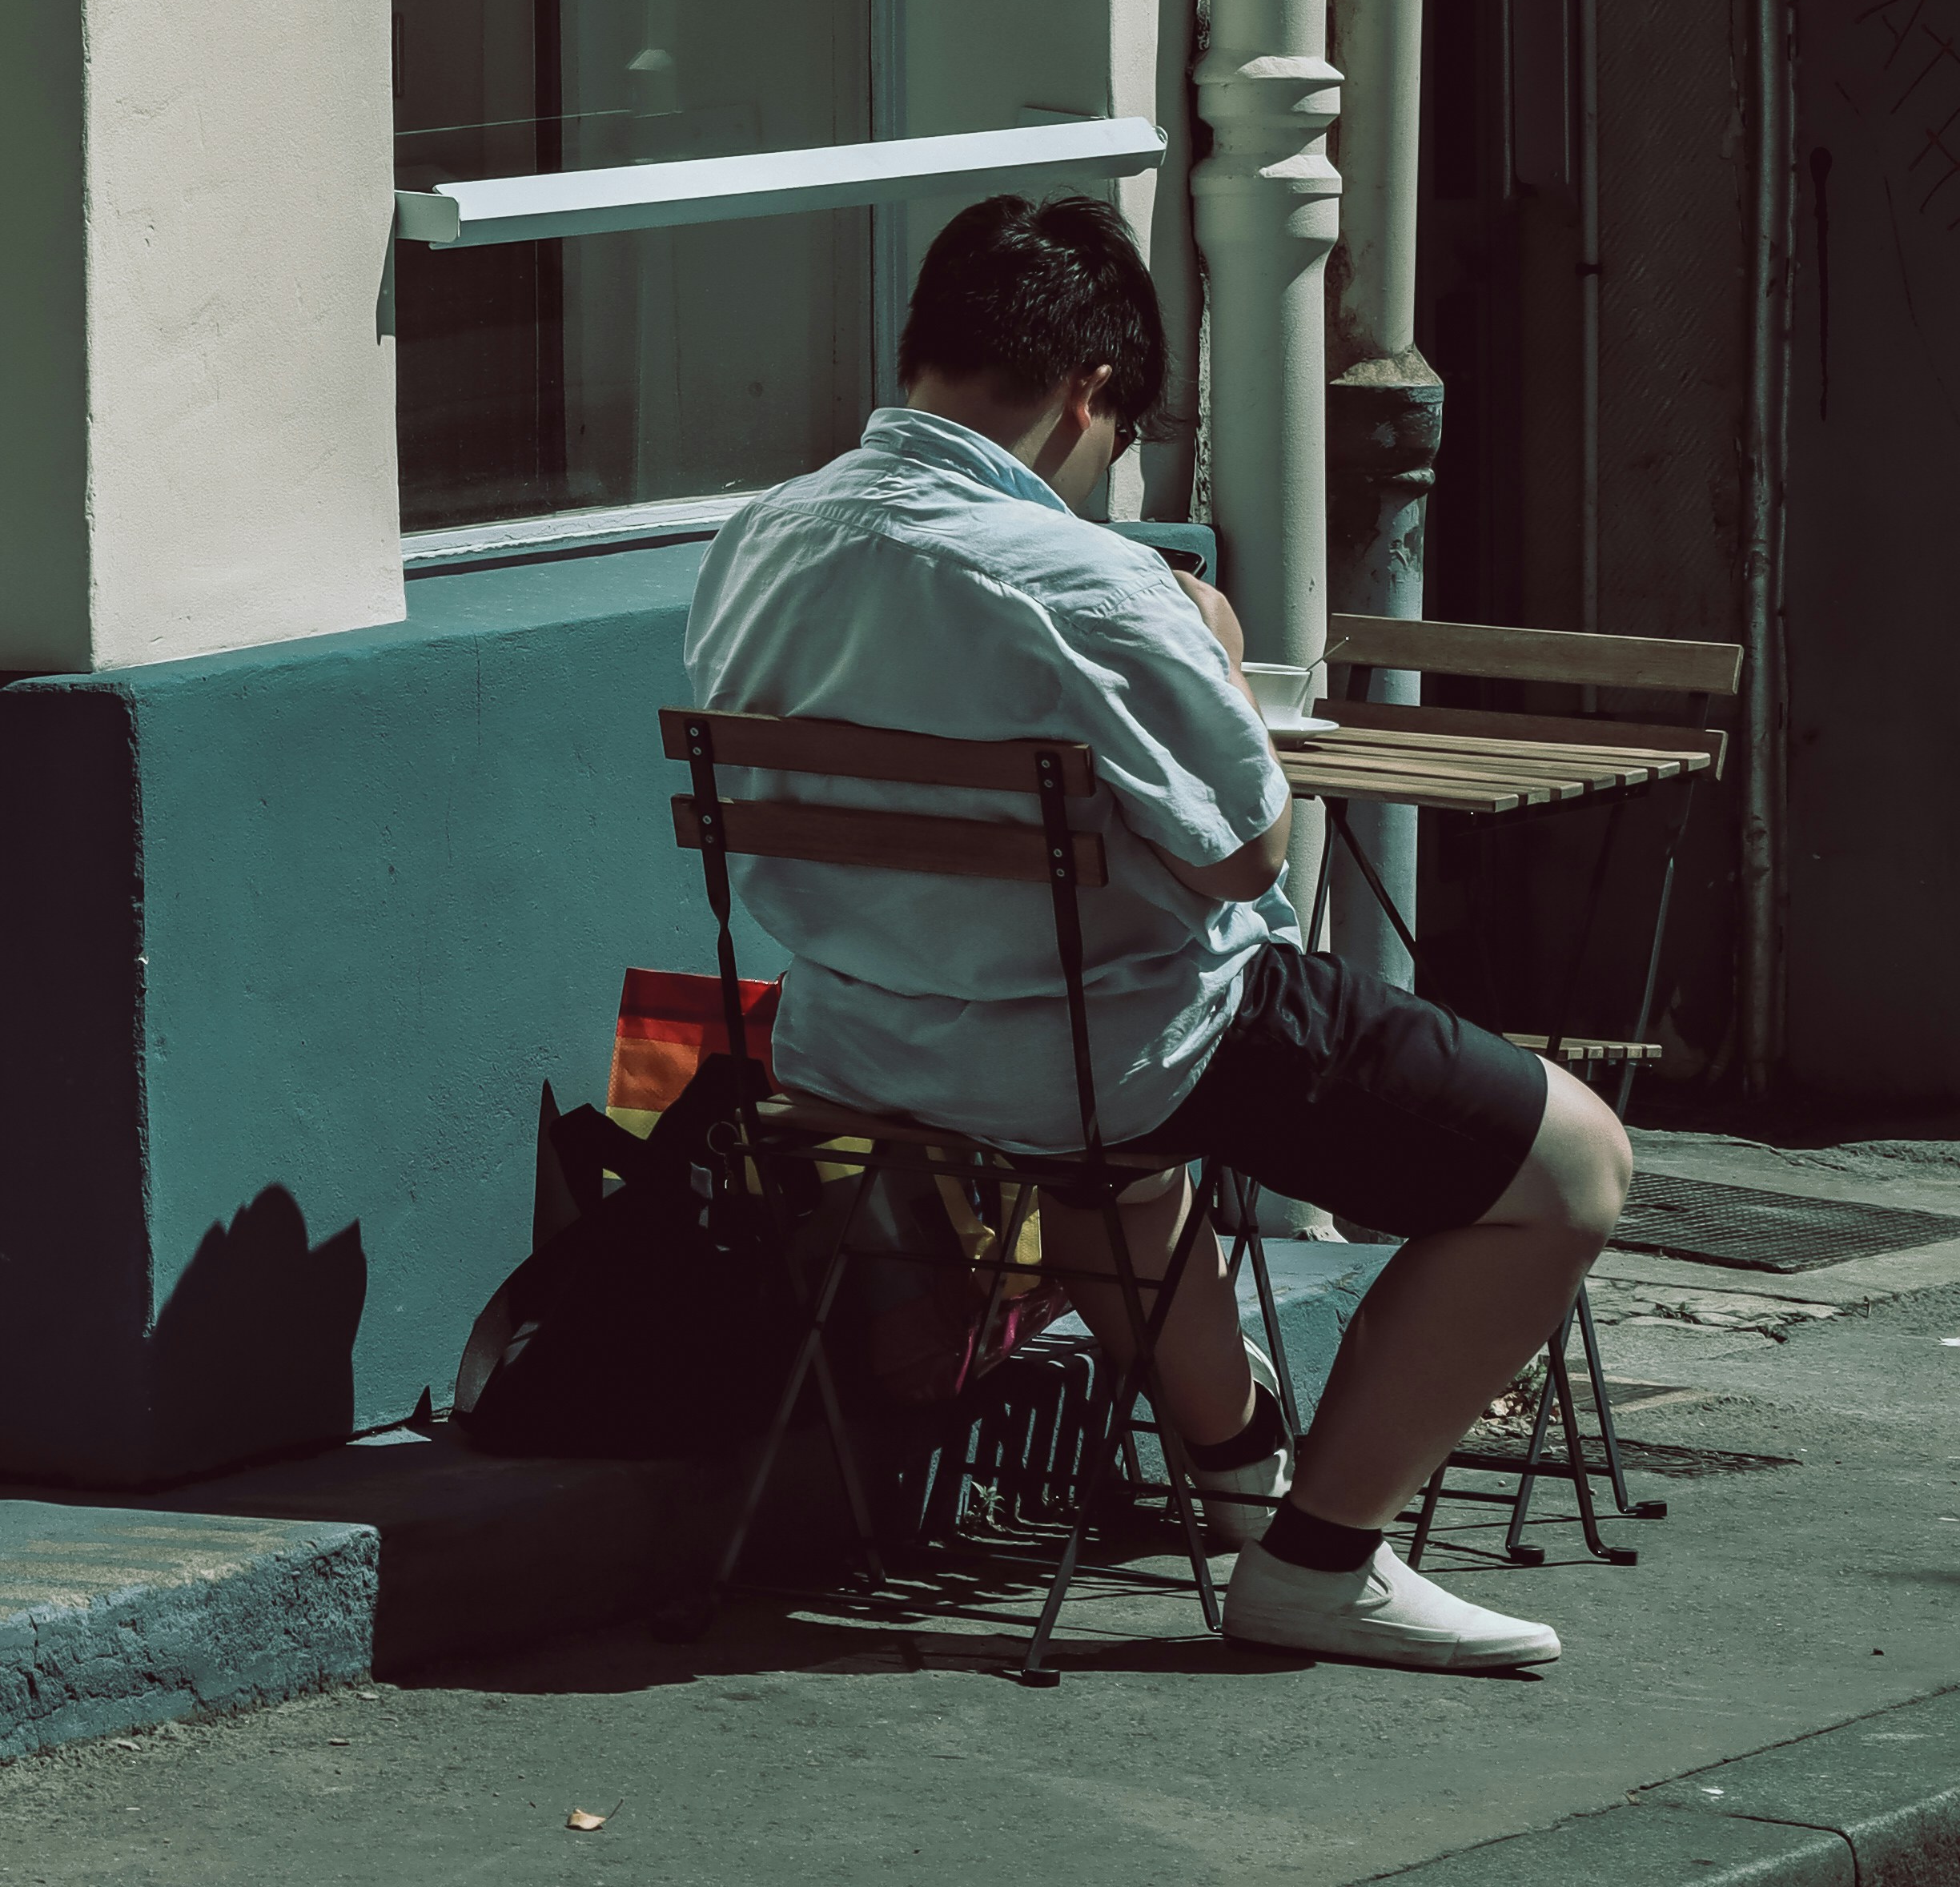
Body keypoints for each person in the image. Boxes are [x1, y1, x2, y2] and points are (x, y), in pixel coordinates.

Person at [685, 187, 1631, 1672]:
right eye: (1119, 440)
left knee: (1116, 1167)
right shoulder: (1089, 581)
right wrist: (1214, 641)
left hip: (854, 1044)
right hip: (1099, 1057)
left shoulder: (759, 540)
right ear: (1089, 395)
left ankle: (1246, 1480)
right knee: (1575, 1163)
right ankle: (1323, 1561)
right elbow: (1249, 855)